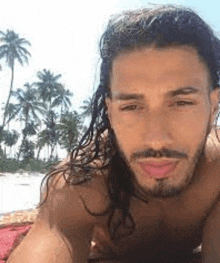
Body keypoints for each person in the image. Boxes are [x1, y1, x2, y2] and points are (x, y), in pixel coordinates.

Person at [7, 4, 220, 263]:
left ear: (213, 107)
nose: (156, 139)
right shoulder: (82, 184)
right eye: (131, 106)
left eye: (181, 103)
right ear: (110, 112)